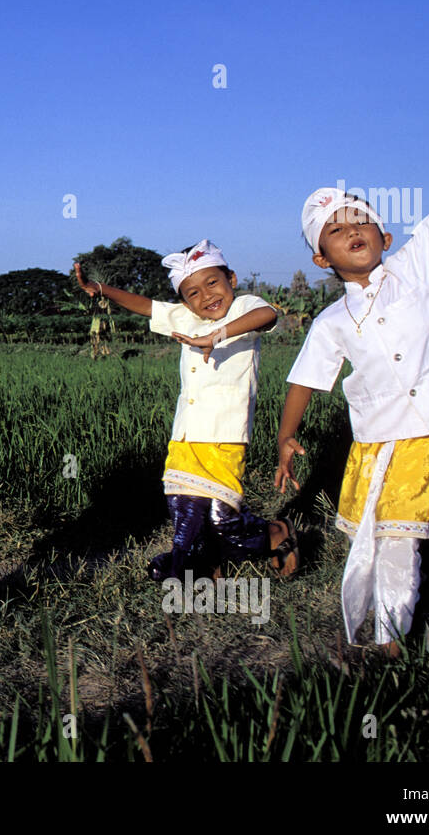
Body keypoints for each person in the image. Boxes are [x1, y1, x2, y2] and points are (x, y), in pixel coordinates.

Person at [274, 80, 429, 655]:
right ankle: (376, 617)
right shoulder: (330, 321)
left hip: (423, 426)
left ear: (385, 236)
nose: (352, 229)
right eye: (336, 229)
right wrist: (287, 436)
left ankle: (391, 635)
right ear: (321, 258)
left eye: (360, 220)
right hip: (372, 437)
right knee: (370, 528)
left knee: (399, 535)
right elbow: (305, 380)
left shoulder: (413, 269)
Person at [74, 242, 297, 583]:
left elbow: (268, 315)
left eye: (212, 283)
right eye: (192, 292)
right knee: (186, 512)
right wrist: (101, 290)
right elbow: (146, 306)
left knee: (223, 519)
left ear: (231, 278)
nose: (206, 296)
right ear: (185, 300)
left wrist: (216, 335)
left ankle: (274, 533)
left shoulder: (245, 308)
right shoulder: (185, 317)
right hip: (185, 436)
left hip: (224, 437)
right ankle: (199, 564)